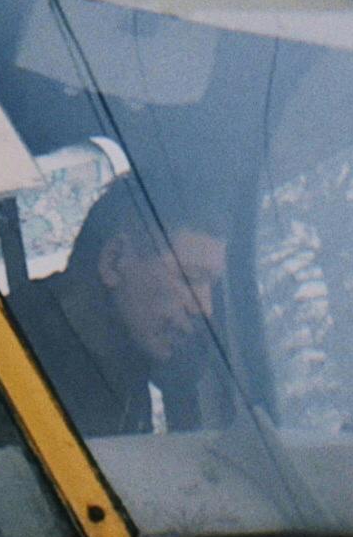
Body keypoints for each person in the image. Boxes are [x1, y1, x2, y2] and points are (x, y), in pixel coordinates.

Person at [30, 174, 228, 438]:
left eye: (211, 287)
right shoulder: (19, 368)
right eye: (190, 279)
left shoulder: (118, 359)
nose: (204, 308)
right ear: (114, 261)